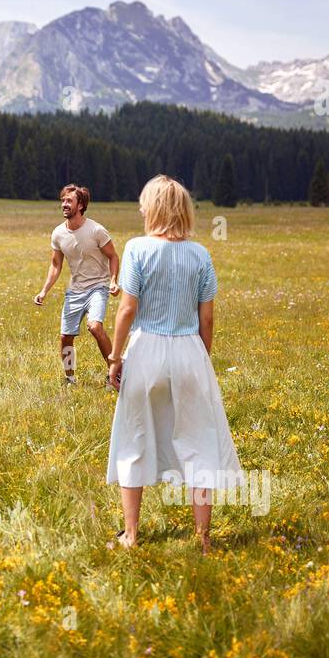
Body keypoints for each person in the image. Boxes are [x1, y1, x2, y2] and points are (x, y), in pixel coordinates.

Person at [106, 175, 243, 554]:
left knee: (134, 437)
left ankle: (131, 534)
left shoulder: (136, 248)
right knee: (199, 441)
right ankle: (202, 539)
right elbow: (208, 319)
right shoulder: (201, 255)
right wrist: (202, 359)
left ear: (152, 208)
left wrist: (115, 358)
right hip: (188, 350)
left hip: (146, 349)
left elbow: (127, 309)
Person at [34, 184, 120, 386]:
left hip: (98, 287)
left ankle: (114, 372)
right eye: (63, 200)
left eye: (69, 201)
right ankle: (70, 378)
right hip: (75, 291)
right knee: (65, 337)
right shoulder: (58, 233)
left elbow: (113, 256)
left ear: (80, 205)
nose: (64, 204)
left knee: (95, 327)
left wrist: (113, 280)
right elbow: (56, 265)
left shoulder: (96, 230)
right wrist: (44, 290)